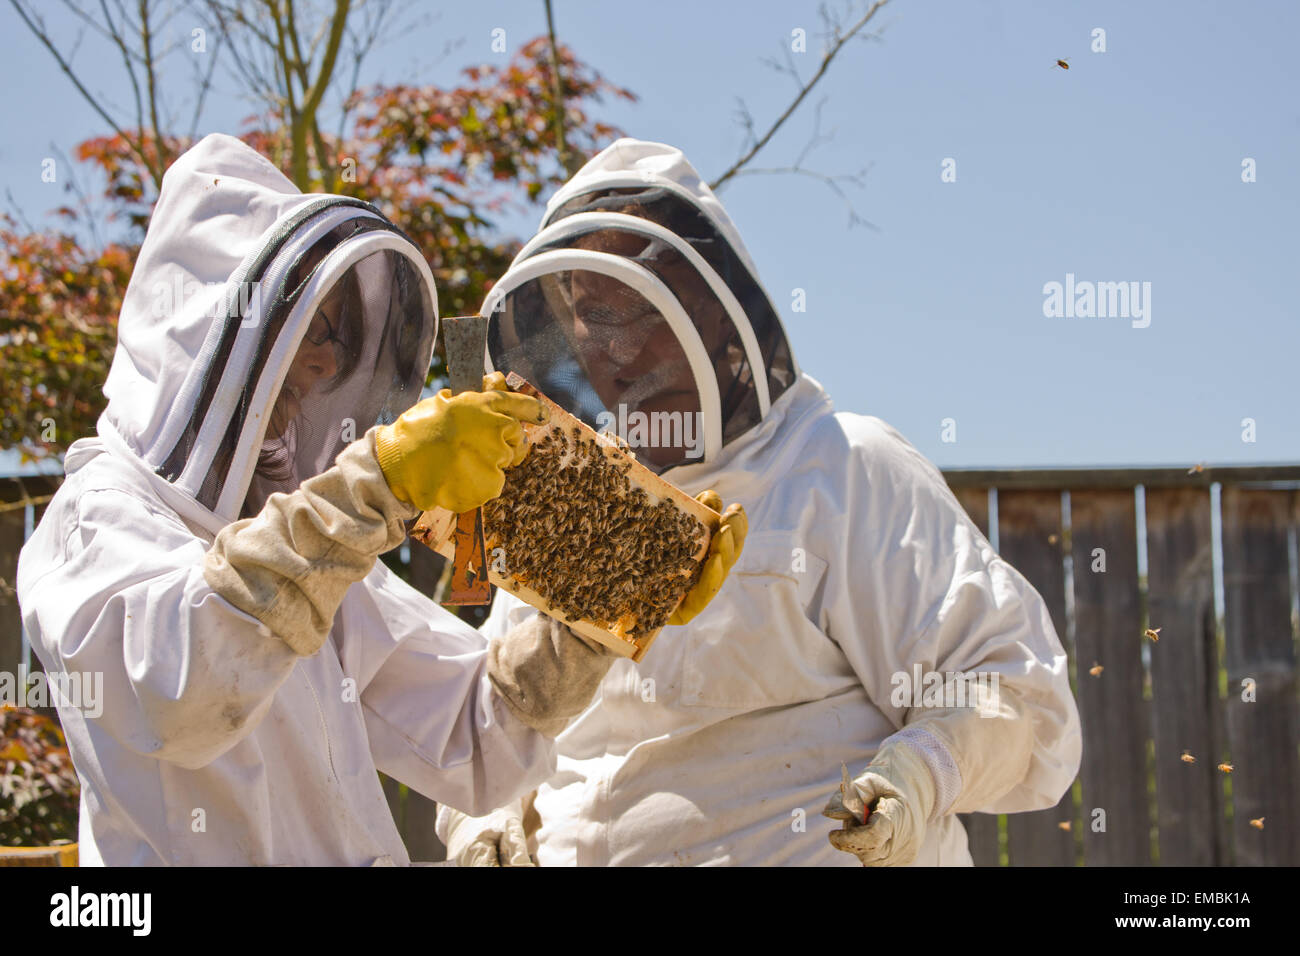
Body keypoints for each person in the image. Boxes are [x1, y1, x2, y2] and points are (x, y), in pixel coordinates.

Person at [14, 133, 743, 865]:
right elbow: (180, 697)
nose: (330, 361)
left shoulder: (308, 556)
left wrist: (604, 605)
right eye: (314, 325)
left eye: (342, 338)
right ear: (214, 328)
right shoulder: (95, 518)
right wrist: (372, 488)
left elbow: (475, 736)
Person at [437, 138, 1083, 866]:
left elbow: (1017, 695)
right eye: (593, 313)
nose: (620, 348)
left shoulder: (841, 468)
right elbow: (493, 718)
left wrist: (920, 775)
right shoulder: (559, 499)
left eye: (646, 304)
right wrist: (481, 824)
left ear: (719, 311)